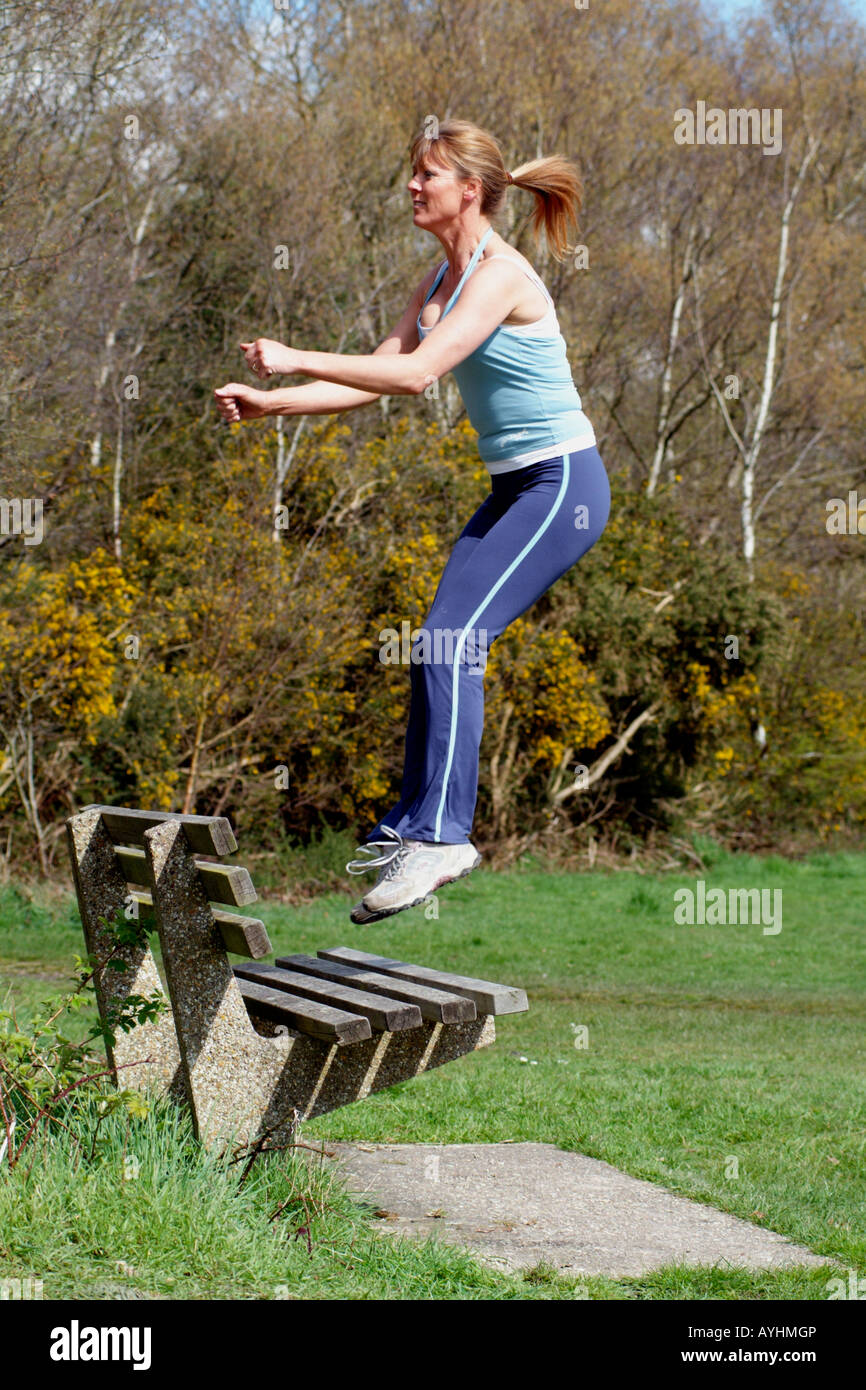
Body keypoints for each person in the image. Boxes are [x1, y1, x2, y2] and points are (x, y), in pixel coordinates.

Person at [214, 118, 610, 924]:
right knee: (438, 637)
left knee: (457, 639)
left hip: (564, 485)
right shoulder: (437, 283)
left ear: (468, 190)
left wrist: (294, 357)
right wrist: (273, 402)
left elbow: (420, 374)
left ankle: (442, 835)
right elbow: (379, 373)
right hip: (514, 489)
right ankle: (416, 825)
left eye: (425, 175)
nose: (410, 187)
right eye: (412, 174)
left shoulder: (501, 276)